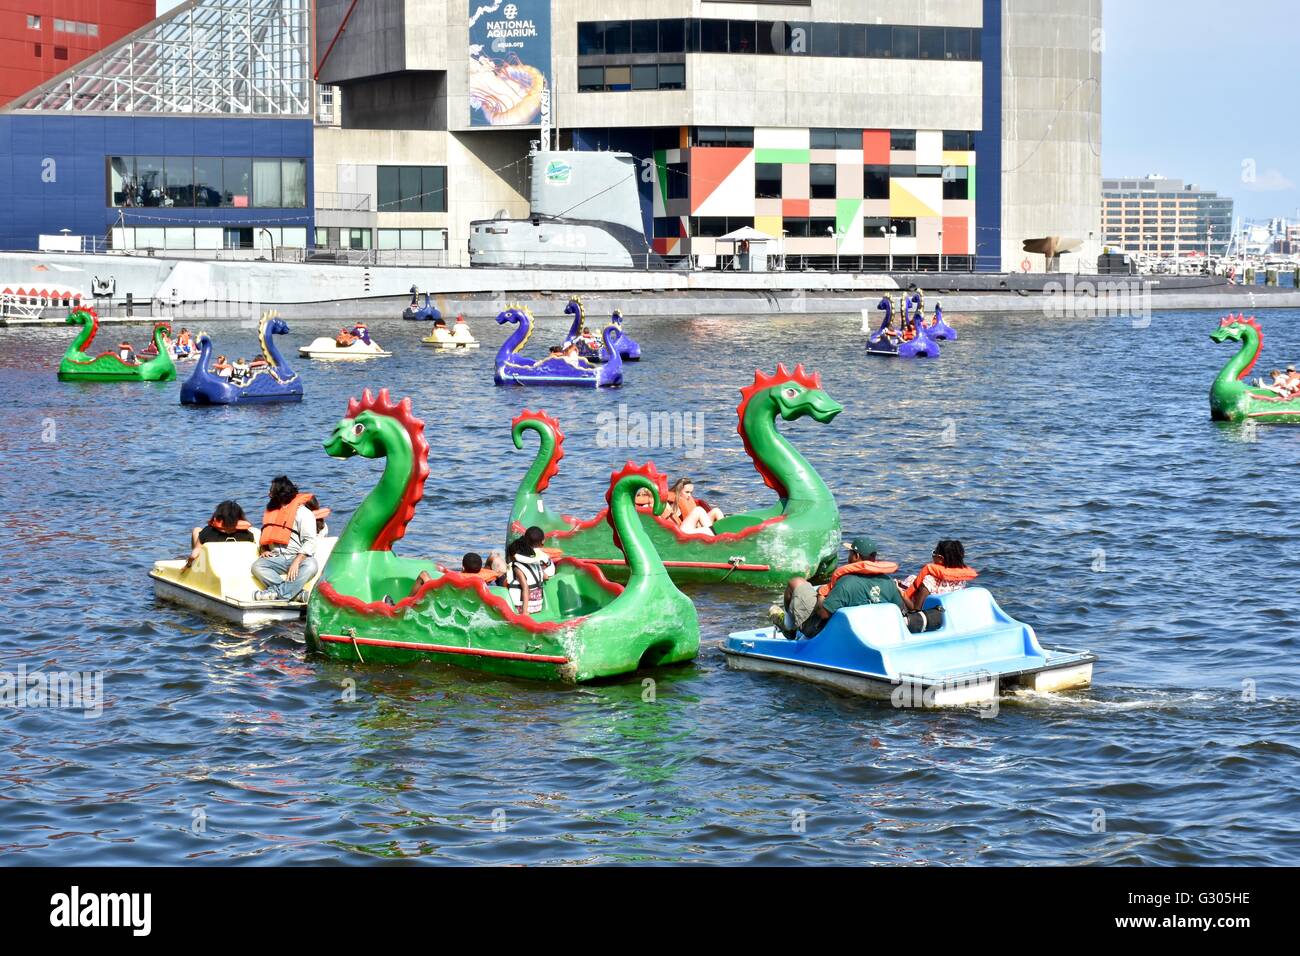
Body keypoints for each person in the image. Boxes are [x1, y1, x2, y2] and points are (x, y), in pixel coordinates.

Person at [769, 536, 905, 640]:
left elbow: (823, 614)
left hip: (823, 630)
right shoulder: (887, 582)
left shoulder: (847, 582)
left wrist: (821, 596)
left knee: (796, 583)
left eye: (850, 552)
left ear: (856, 556)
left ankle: (789, 629)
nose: (849, 556)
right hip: (869, 631)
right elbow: (900, 610)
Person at [252, 476, 322, 602]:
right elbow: (266, 534)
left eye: (271, 491)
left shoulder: (303, 513)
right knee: (257, 566)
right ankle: (296, 594)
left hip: (298, 557)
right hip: (277, 557)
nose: (268, 493)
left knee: (312, 565)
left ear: (280, 494)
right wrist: (264, 550)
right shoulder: (272, 511)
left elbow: (310, 541)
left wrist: (296, 561)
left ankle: (278, 594)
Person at [901, 539, 978, 624]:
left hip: (930, 616)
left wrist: (902, 595)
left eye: (934, 553)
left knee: (903, 585)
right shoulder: (960, 580)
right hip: (949, 614)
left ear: (940, 558)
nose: (932, 556)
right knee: (912, 578)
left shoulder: (930, 581)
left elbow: (915, 610)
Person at [185, 500, 254, 567]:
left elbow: (195, 553)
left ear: (218, 516)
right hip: (237, 564)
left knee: (196, 530)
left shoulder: (208, 532)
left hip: (212, 566)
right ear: (240, 517)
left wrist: (189, 562)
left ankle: (193, 567)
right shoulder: (247, 534)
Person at [505, 526, 556, 614]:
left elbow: (525, 587)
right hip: (537, 605)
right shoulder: (536, 564)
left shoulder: (518, 567)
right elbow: (546, 577)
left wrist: (525, 612)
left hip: (522, 607)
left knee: (505, 579)